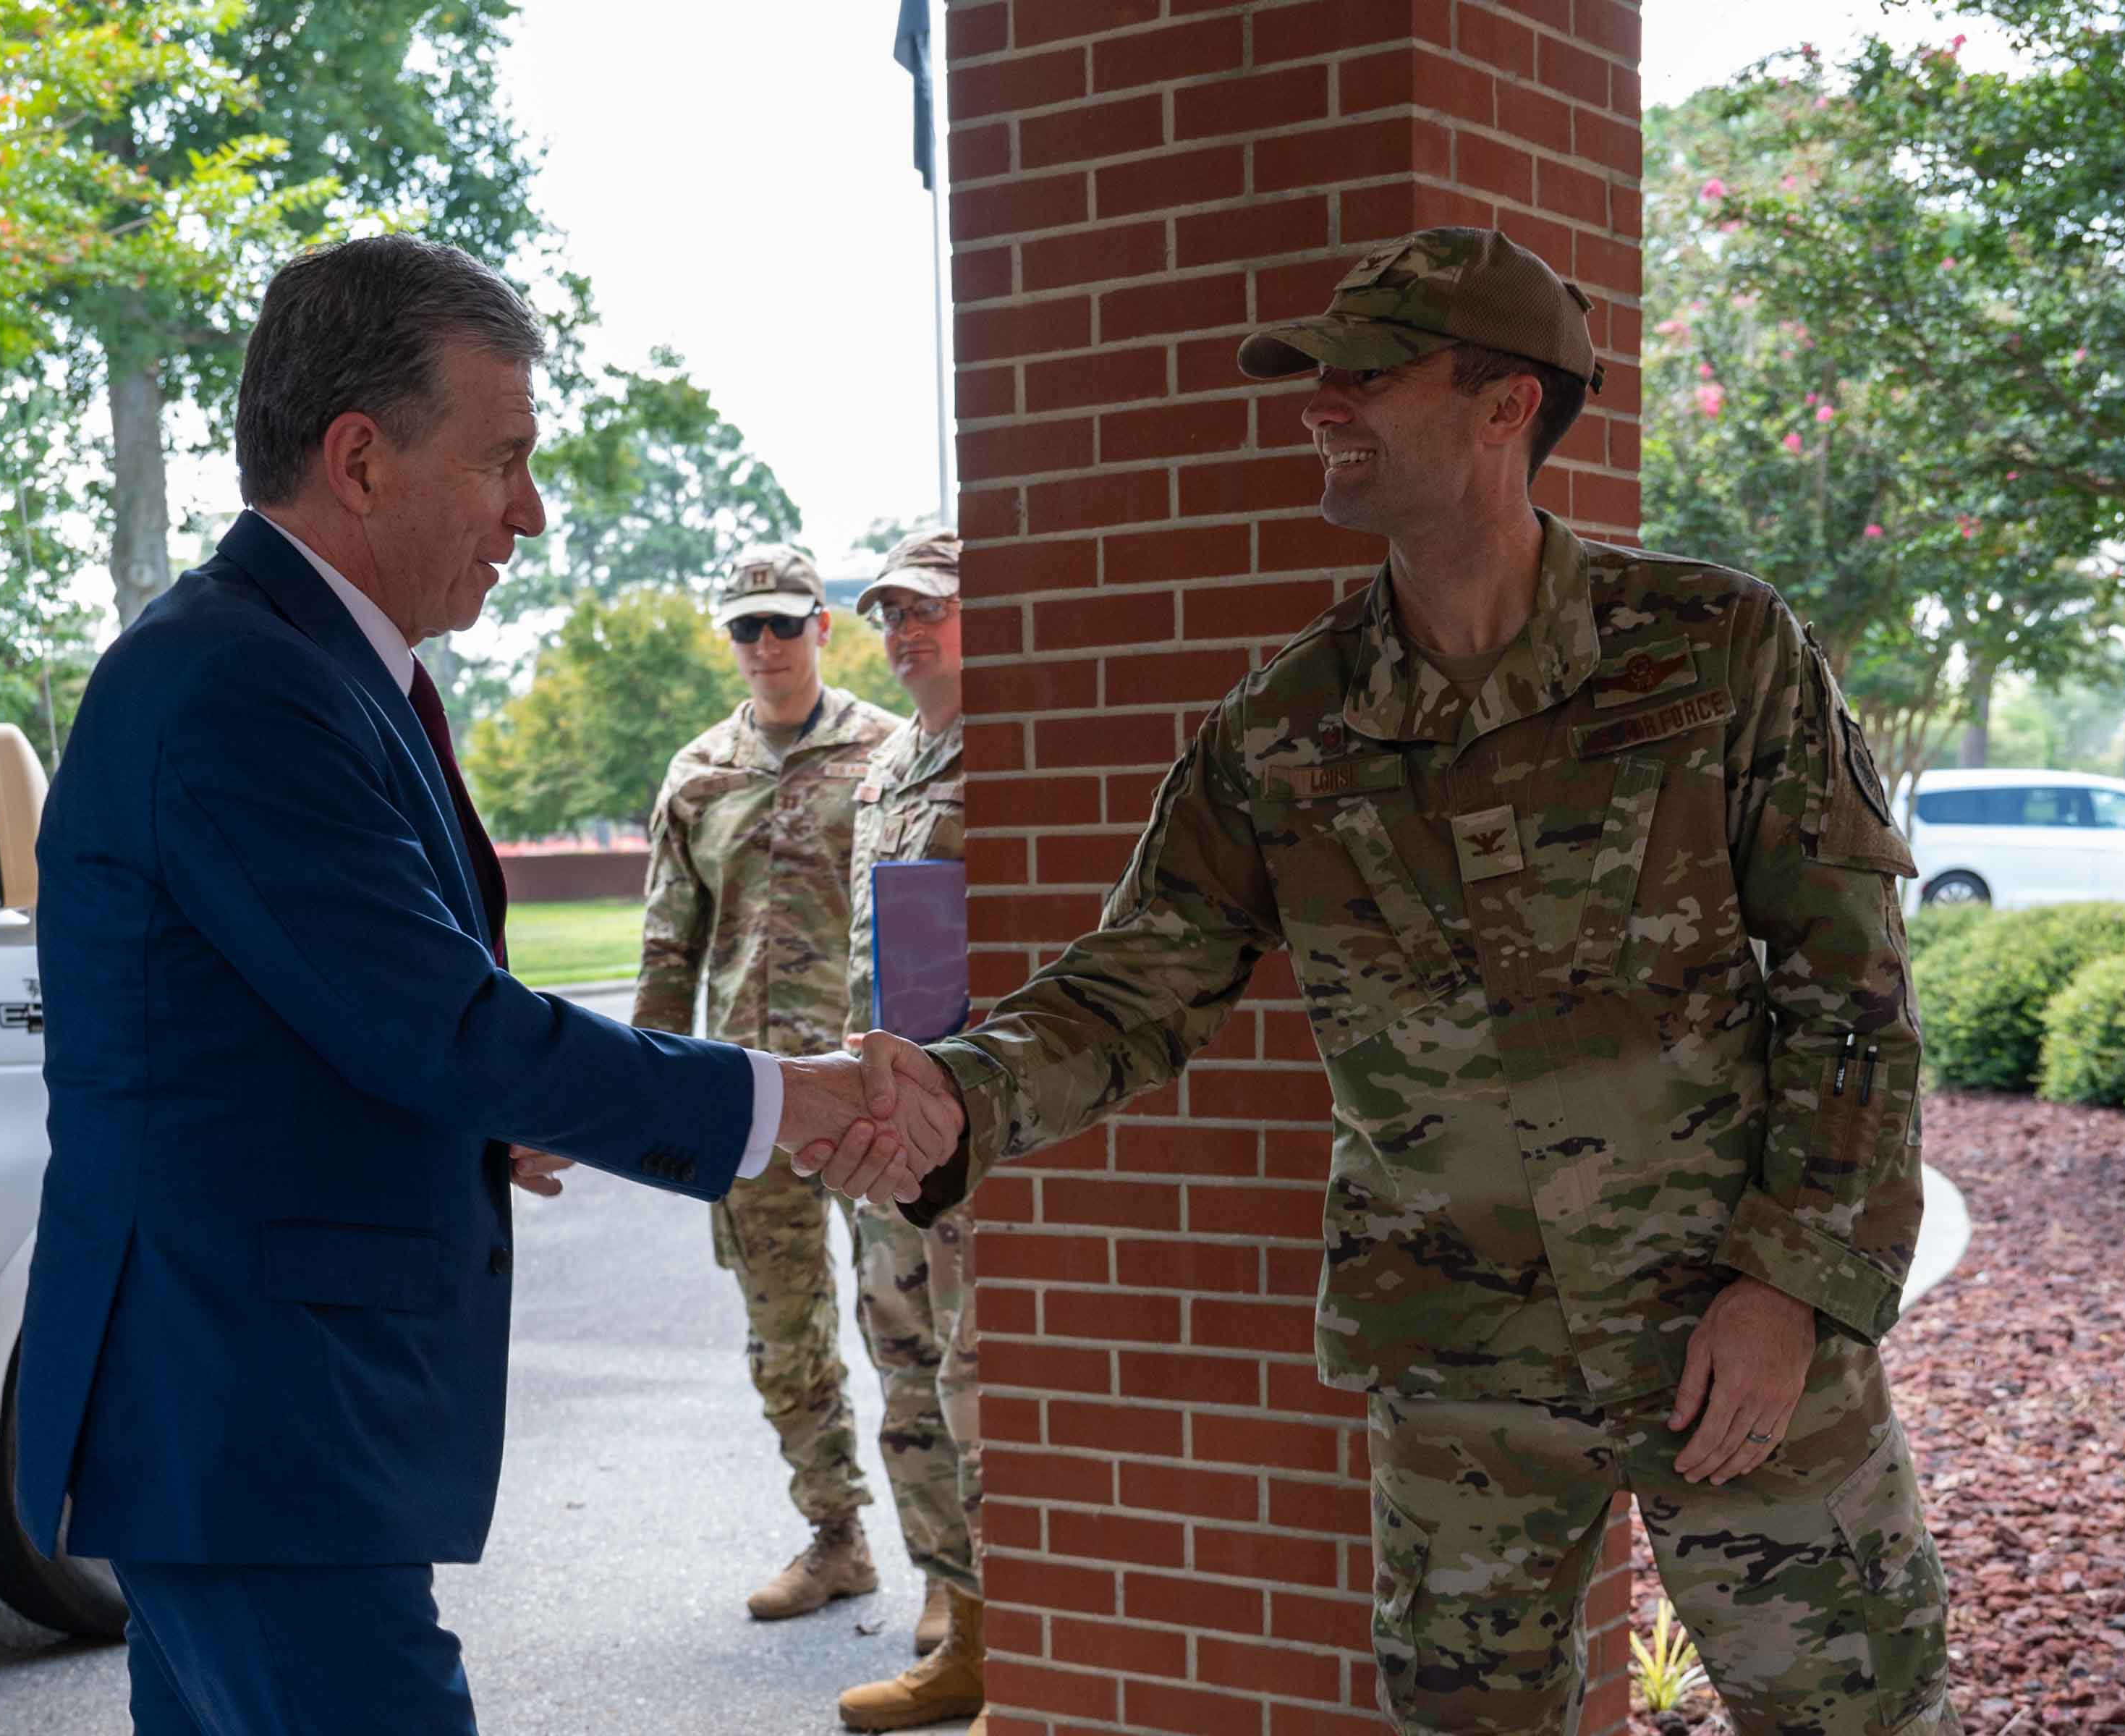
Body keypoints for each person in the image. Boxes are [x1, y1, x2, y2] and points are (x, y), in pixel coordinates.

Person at [819, 229, 1957, 1735]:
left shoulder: (1713, 653)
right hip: (1458, 1360)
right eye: (1320, 376)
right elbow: (1141, 979)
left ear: (1506, 405)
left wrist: (1792, 1285)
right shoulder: (1288, 721)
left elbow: (1850, 997)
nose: (1322, 404)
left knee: (1855, 1715)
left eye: (1366, 373)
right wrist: (951, 1093)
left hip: (1730, 1331)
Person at [12, 234, 950, 1736]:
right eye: (502, 459)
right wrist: (794, 1098)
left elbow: (330, 1015)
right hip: (251, 1414)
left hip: (252, 1423)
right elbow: (434, 1021)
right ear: (360, 459)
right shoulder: (239, 681)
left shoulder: (313, 664)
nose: (531, 510)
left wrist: (481, 1111)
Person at [635, 546, 907, 1620]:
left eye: (785, 623)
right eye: (746, 628)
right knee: (784, 1335)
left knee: (912, 1329)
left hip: (874, 1096)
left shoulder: (889, 751)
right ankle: (836, 1538)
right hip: (752, 1103)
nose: (765, 645)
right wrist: (640, 1103)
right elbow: (668, 953)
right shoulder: (699, 773)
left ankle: (957, 1575)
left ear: (821, 628)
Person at [829, 529, 988, 1735]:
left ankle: (1025, 1651)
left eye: (926, 607)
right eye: (888, 614)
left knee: (980, 1388)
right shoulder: (886, 766)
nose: (903, 632)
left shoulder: (1015, 753)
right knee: (904, 1374)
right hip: (884, 1126)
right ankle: (960, 1632)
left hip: (972, 1129)